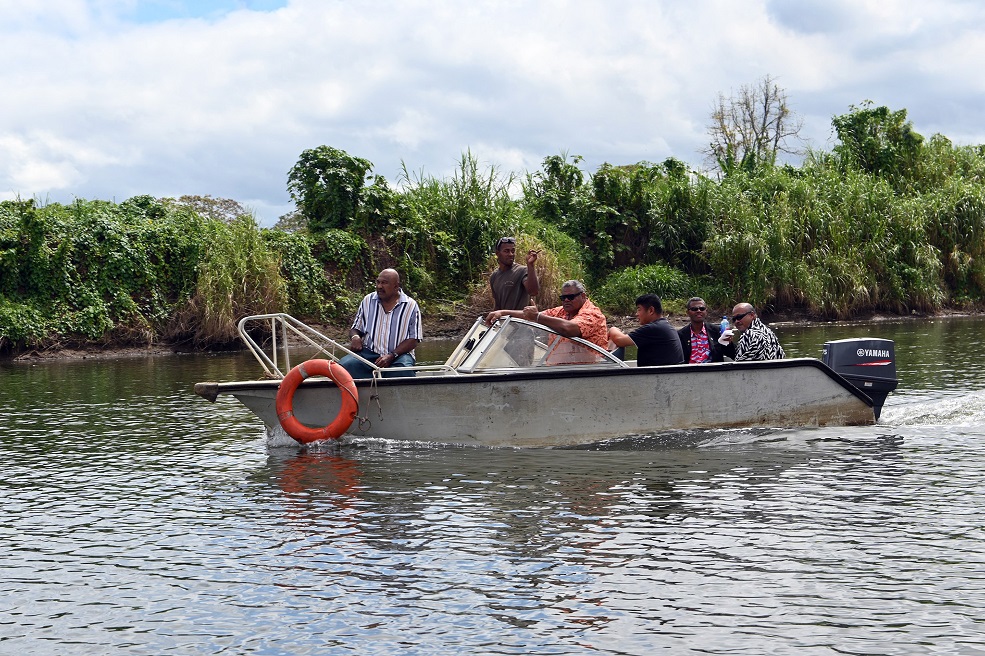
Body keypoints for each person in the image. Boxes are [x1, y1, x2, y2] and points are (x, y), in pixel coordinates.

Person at [339, 268, 422, 378]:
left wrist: (392, 355)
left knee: (404, 372)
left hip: (399, 355)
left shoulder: (411, 305)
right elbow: (356, 328)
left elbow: (414, 339)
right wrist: (355, 337)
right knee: (343, 366)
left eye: (384, 283)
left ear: (396, 286)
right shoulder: (368, 300)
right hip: (369, 353)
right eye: (378, 282)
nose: (379, 286)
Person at [484, 280, 609, 348]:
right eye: (563, 297)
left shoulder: (592, 314)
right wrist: (502, 312)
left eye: (570, 297)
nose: (566, 300)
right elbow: (529, 315)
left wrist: (538, 317)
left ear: (583, 296)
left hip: (588, 371)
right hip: (559, 370)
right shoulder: (561, 311)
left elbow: (569, 328)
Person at [607, 294, 684, 366]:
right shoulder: (664, 325)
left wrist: (612, 329)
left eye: (639, 309)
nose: (636, 314)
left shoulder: (654, 328)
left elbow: (620, 340)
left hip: (659, 377)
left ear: (651, 310)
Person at [677, 296, 736, 363]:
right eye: (694, 309)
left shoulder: (716, 331)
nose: (698, 311)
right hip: (689, 371)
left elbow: (733, 354)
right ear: (687, 312)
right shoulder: (681, 335)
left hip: (712, 371)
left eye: (702, 309)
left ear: (706, 311)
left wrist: (728, 343)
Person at [489, 236, 540, 310]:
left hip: (519, 320)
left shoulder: (522, 271)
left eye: (513, 251)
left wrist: (531, 265)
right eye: (506, 251)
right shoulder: (494, 277)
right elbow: (497, 305)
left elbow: (533, 292)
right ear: (497, 253)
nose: (511, 254)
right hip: (503, 320)